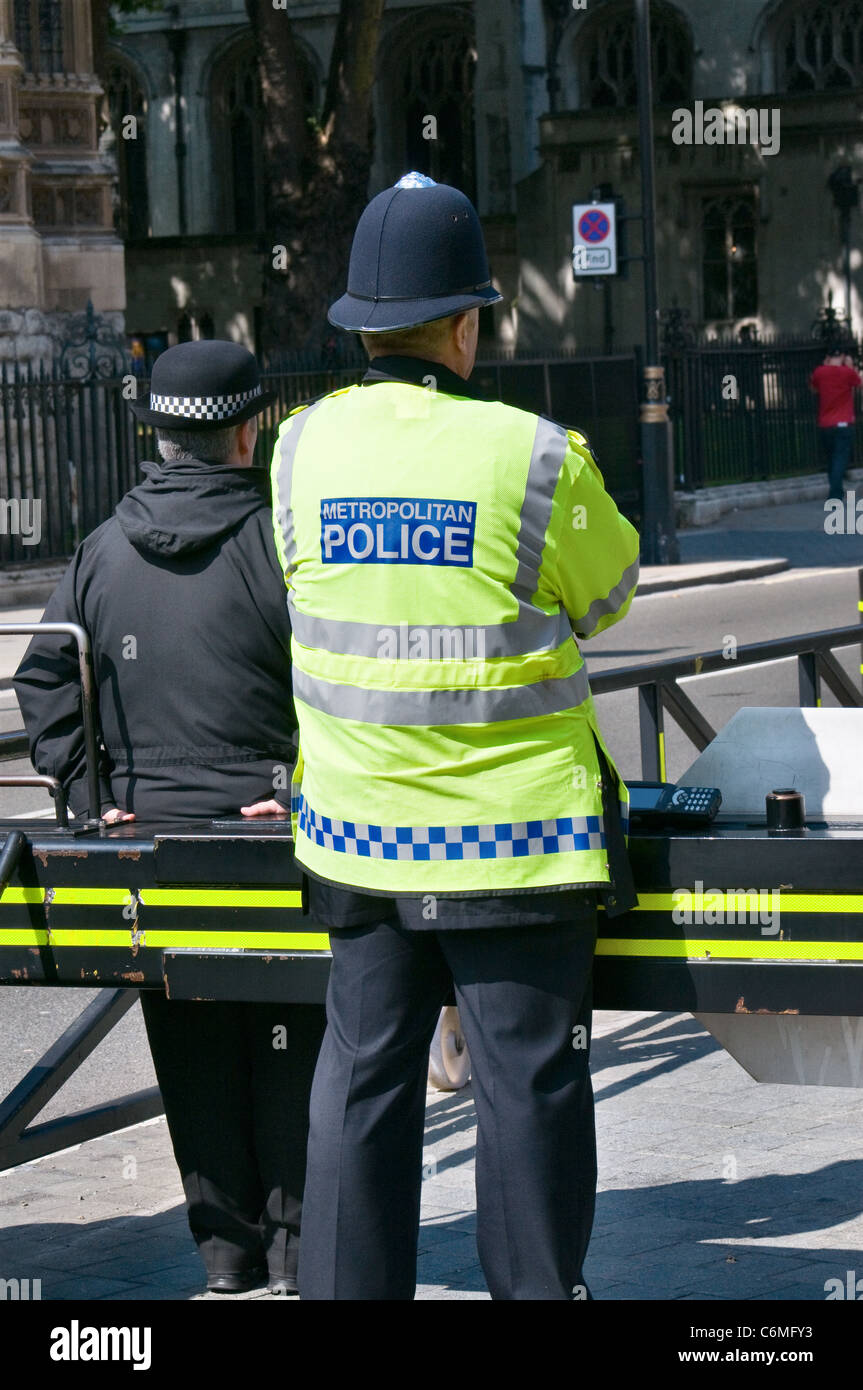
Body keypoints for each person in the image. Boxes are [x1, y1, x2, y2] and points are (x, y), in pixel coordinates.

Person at [270, 173, 640, 1300]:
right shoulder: (535, 459)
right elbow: (612, 590)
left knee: (361, 1078)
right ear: (467, 324)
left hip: (356, 836)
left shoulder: (296, 449)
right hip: (514, 846)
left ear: (362, 326)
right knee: (524, 1086)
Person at [14, 340, 326, 1296]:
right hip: (269, 834)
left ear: (154, 434)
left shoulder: (103, 547)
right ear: (250, 429)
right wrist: (306, 791)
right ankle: (300, 1250)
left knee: (189, 1046)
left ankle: (224, 1254)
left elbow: (43, 679)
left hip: (146, 843)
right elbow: (337, 685)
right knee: (288, 1046)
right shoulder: (284, 542)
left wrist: (92, 797)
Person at [810, 348, 863, 500]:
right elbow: (859, 383)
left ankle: (837, 492)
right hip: (843, 422)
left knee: (831, 459)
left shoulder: (819, 372)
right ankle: (835, 495)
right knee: (840, 459)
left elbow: (814, 388)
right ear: (843, 357)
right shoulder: (847, 373)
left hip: (825, 423)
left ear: (827, 357)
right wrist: (851, 366)